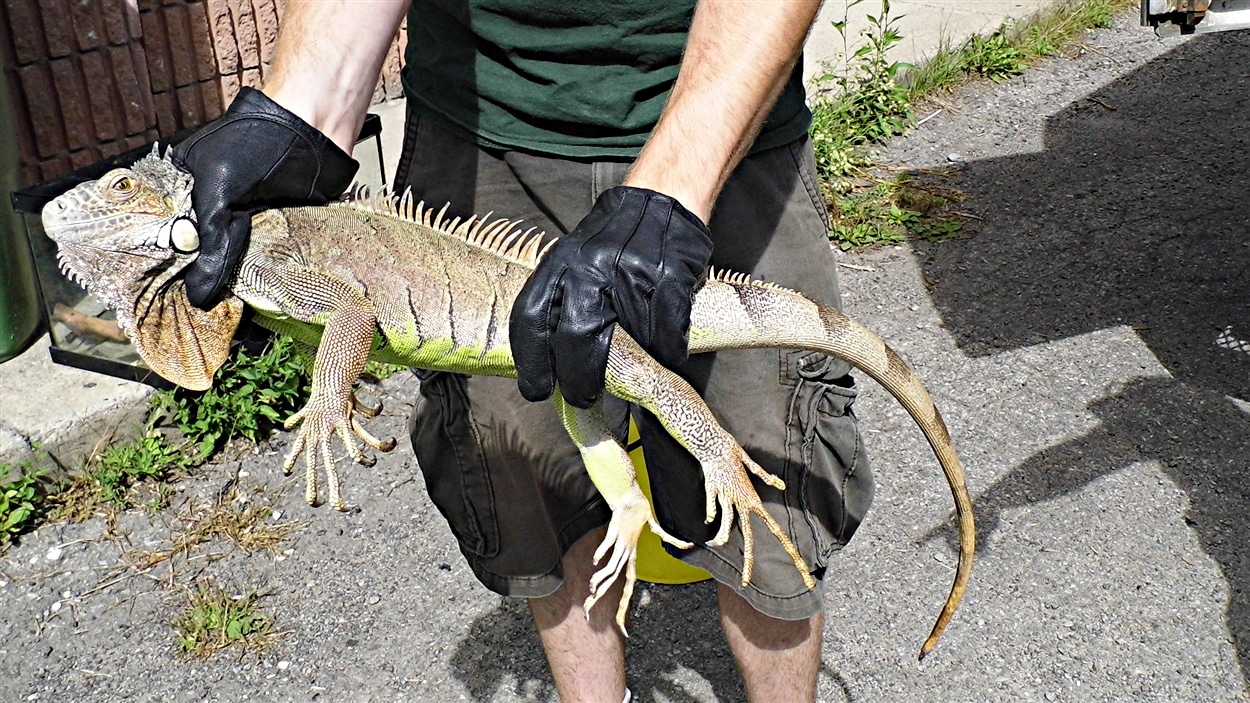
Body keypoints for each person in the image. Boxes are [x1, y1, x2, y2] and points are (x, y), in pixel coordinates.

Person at [174, 1, 874, 701]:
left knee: (771, 479)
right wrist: (296, 115)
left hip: (734, 106)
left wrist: (673, 190)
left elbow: (348, 315)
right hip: (482, 128)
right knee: (525, 482)